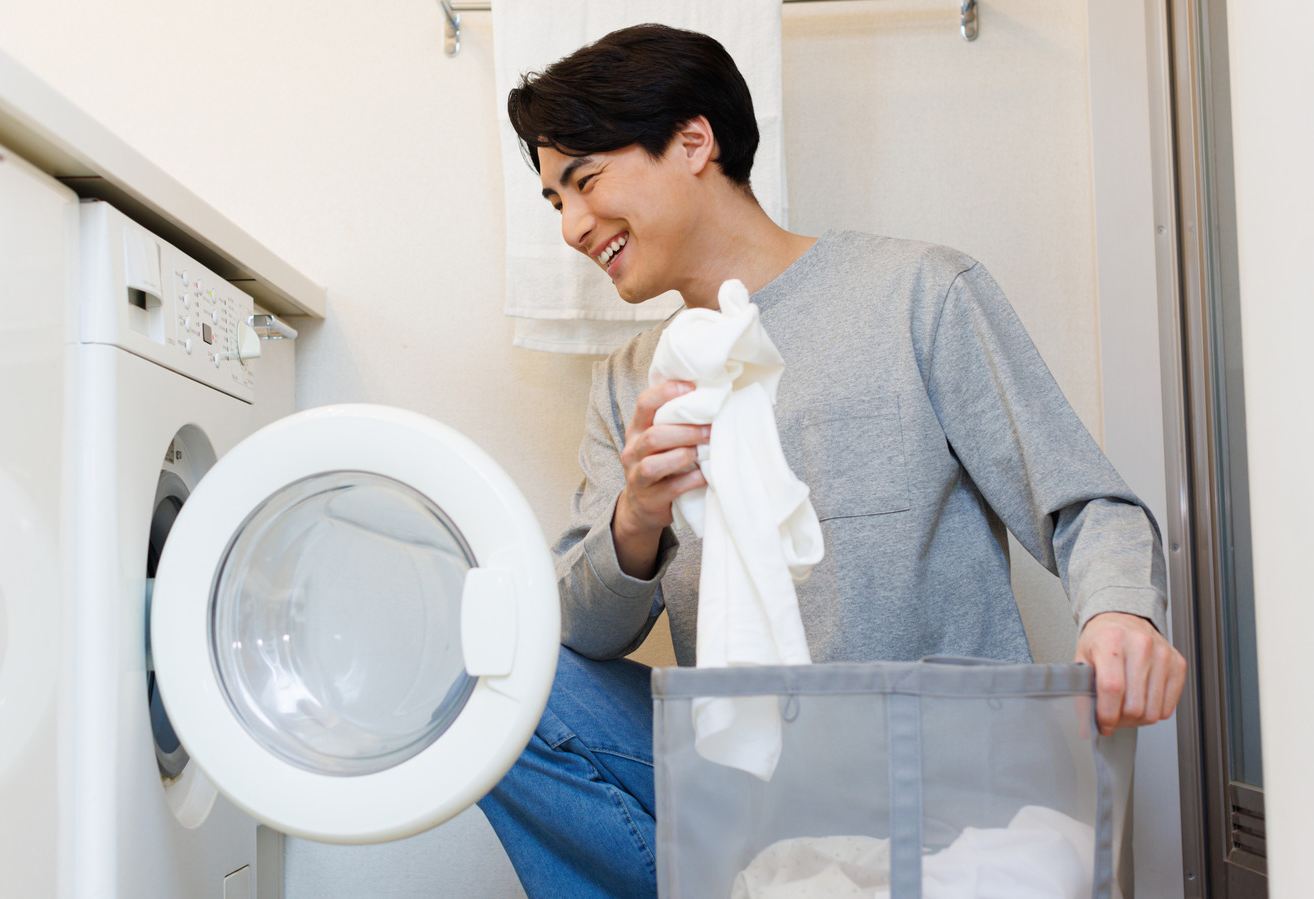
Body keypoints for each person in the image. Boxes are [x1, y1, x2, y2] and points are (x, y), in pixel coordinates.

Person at [476, 23, 1187, 899]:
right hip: (747, 775)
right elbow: (581, 635)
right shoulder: (633, 381)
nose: (574, 228)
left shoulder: (918, 294)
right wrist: (638, 514)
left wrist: (1122, 615)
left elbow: (1089, 505)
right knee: (505, 686)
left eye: (583, 182)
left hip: (930, 766)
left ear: (693, 141)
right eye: (555, 204)